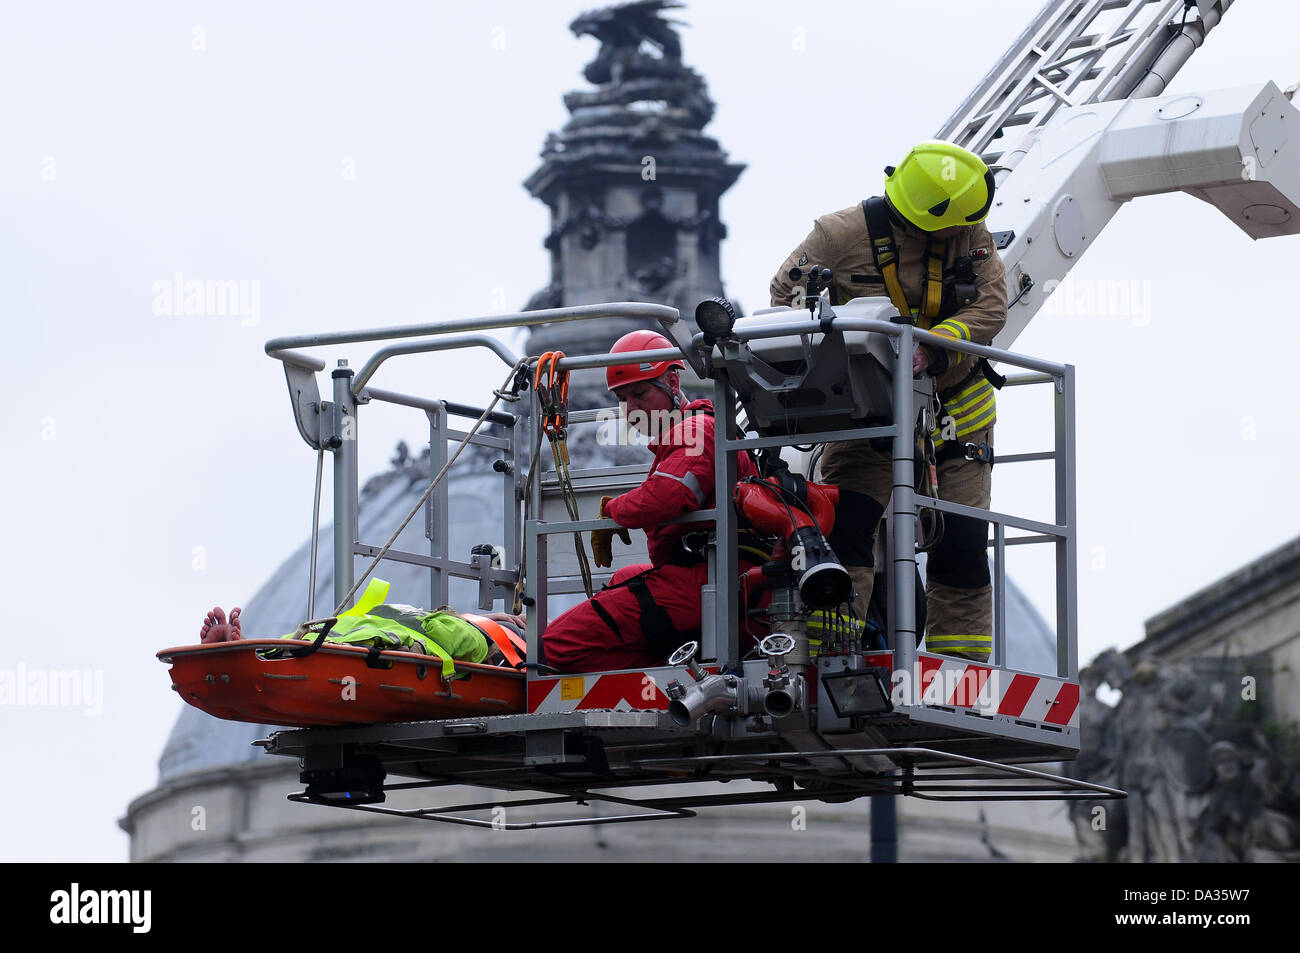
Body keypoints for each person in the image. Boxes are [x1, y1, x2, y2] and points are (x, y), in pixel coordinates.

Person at [768, 140, 1008, 663]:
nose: (966, 235)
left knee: (962, 547)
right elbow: (784, 303)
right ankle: (837, 655)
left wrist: (934, 346)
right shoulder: (838, 236)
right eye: (958, 227)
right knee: (845, 533)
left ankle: (959, 672)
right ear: (922, 215)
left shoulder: (970, 231)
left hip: (957, 414)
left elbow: (991, 306)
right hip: (869, 412)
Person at [541, 330, 768, 673]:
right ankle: (664, 668)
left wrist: (613, 512)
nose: (632, 409)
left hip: (709, 580)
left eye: (640, 393)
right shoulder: (695, 432)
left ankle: (655, 673)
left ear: (673, 384)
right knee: (626, 576)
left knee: (555, 647)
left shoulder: (697, 432)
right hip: (714, 575)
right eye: (623, 399)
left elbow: (668, 495)